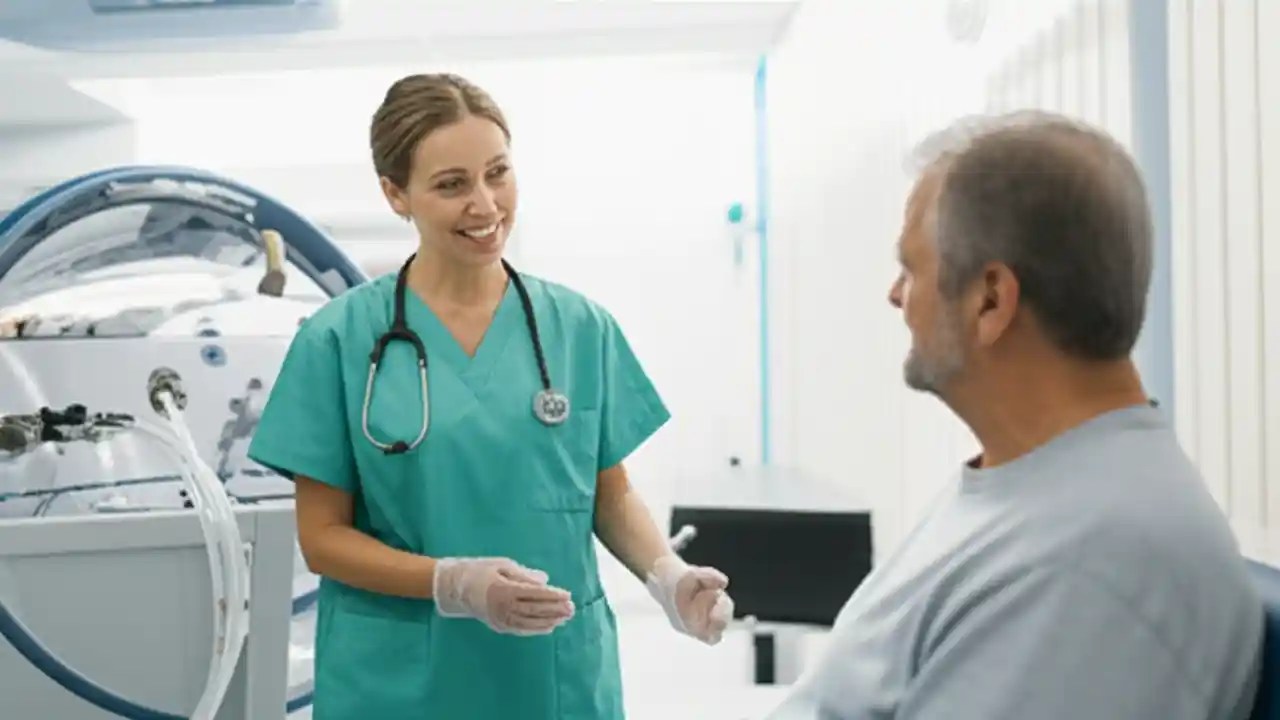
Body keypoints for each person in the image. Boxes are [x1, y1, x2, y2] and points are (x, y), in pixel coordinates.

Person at [247, 72, 734, 720]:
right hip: (400, 686)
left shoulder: (579, 328)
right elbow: (323, 538)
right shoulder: (338, 340)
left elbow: (605, 493)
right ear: (397, 195)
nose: (485, 204)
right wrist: (452, 584)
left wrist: (667, 577)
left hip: (553, 681)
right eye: (452, 185)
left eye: (497, 173)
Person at [764, 111, 1263, 719]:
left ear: (991, 299)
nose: (896, 296)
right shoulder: (1028, 490)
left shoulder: (1094, 562)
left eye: (911, 269)